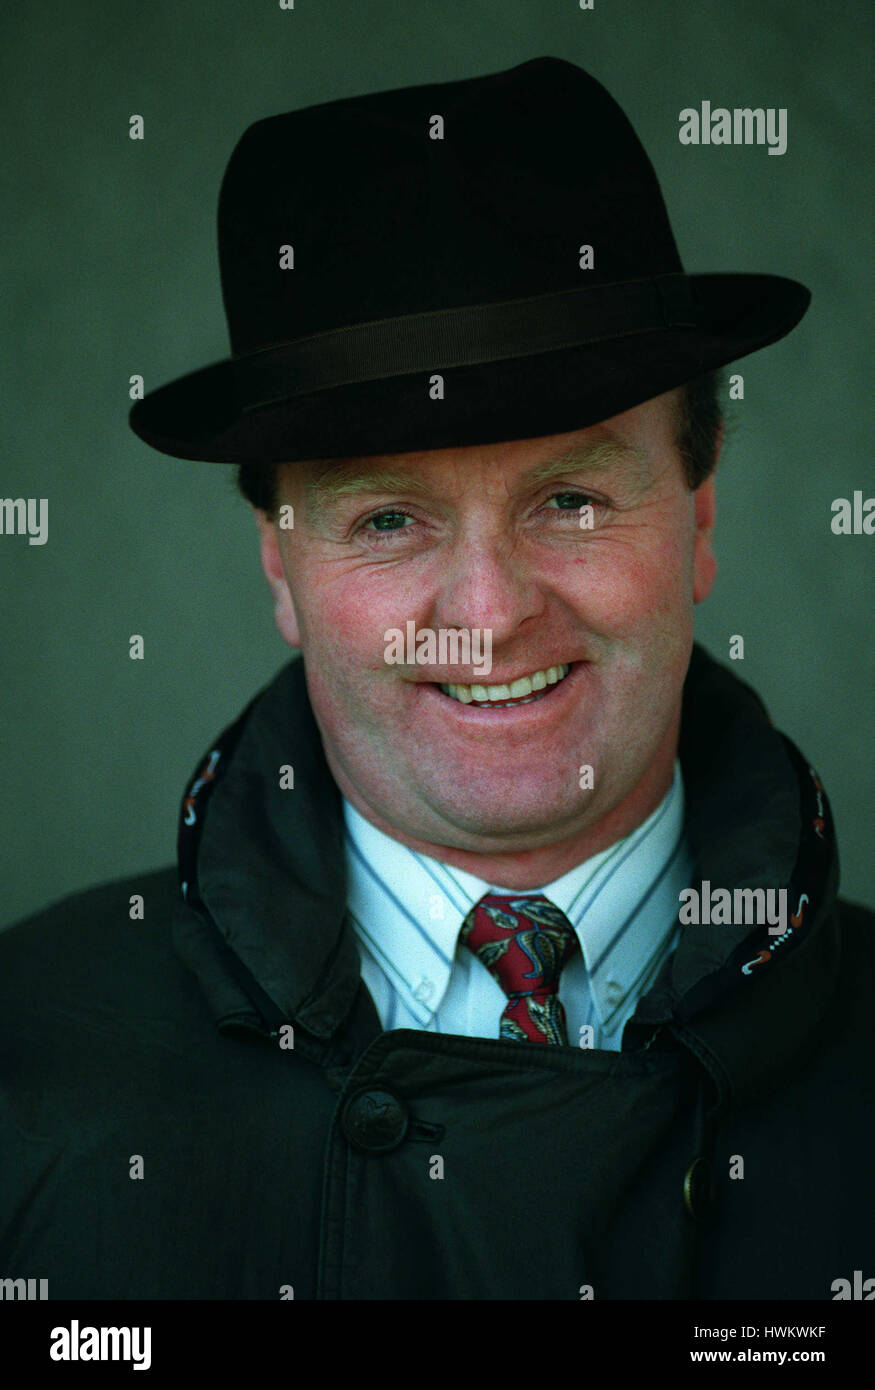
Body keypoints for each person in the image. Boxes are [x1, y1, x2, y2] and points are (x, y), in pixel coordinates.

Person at [1, 56, 872, 1302]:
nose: (488, 615)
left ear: (700, 514)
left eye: (569, 500)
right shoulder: (27, 1058)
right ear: (282, 569)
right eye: (387, 521)